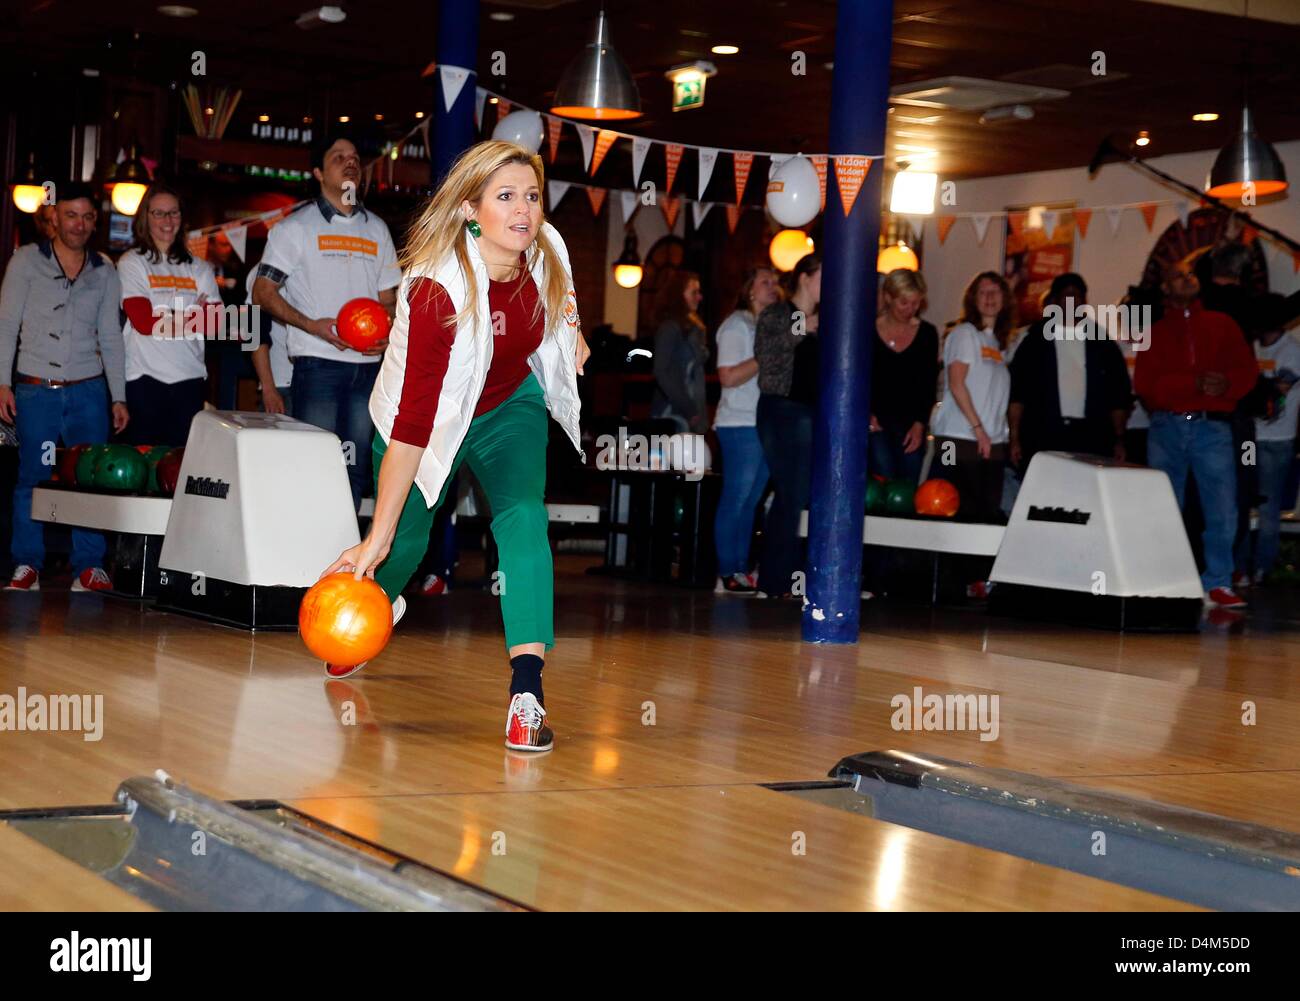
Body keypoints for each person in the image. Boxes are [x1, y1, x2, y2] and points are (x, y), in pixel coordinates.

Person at [321, 140, 590, 753]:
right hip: (427, 416)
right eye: (505, 197)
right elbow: (416, 424)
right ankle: (374, 608)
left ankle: (527, 691)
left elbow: (562, 294)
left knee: (524, 516)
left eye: (531, 195)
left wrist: (572, 336)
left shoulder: (546, 246)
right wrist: (376, 534)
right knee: (406, 543)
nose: (524, 210)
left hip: (506, 406)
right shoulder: (436, 290)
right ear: (470, 209)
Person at [252, 135, 400, 509]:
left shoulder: (377, 230)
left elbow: (388, 299)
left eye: (354, 157)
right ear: (318, 173)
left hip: (368, 369)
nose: (350, 162)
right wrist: (310, 325)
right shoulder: (295, 228)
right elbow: (263, 292)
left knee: (355, 468)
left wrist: (388, 328)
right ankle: (308, 558)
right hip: (318, 364)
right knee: (315, 464)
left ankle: (345, 557)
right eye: (338, 158)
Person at [0, 182, 127, 592]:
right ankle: (27, 564)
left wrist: (118, 395)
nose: (80, 224)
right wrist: (2, 382)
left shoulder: (105, 269)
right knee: (33, 475)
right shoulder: (24, 261)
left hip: (88, 392)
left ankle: (89, 567)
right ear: (53, 217)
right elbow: (5, 326)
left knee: (90, 478)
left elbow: (111, 336)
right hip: (36, 390)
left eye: (88, 216)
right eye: (71, 215)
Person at [1134, 258, 1257, 609]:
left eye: (1190, 274)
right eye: (1178, 275)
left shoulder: (1223, 325)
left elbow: (1246, 372)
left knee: (1222, 509)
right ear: (1165, 289)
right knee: (1164, 507)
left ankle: (1217, 582)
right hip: (1166, 428)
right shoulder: (1152, 332)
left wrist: (1228, 384)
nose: (1187, 279)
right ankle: (1164, 577)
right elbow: (1145, 386)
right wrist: (1193, 383)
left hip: (1212, 427)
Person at [117, 183, 221, 446]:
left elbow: (216, 322)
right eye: (159, 213)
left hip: (190, 378)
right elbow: (143, 322)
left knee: (180, 467)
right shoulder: (132, 262)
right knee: (145, 466)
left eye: (173, 213)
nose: (167, 220)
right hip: (145, 379)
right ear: (145, 218)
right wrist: (192, 317)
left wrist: (167, 317)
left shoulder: (199, 267)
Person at [1008, 272, 1130, 472]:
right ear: (1055, 300)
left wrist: (1119, 439)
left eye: (1078, 295)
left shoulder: (1102, 342)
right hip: (1043, 434)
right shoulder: (1034, 341)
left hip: (1092, 436)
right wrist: (1014, 439)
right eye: (1067, 295)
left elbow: (1118, 395)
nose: (1073, 300)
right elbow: (1018, 393)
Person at [753, 253, 821, 600]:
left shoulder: (827, 320)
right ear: (806, 277)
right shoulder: (777, 314)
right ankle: (774, 580)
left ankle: (793, 579)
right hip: (781, 411)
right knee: (790, 493)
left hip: (813, 414)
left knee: (801, 496)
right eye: (824, 275)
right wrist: (802, 327)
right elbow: (767, 358)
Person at [712, 265, 778, 594]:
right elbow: (728, 376)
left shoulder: (763, 325)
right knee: (737, 497)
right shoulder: (737, 325)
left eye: (776, 282)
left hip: (762, 420)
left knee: (750, 500)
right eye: (766, 282)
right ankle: (727, 569)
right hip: (739, 421)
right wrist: (766, 356)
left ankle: (739, 568)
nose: (774, 287)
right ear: (750, 289)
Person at [931, 271, 1014, 523]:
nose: (989, 297)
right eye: (982, 292)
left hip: (992, 440)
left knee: (985, 513)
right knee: (954, 509)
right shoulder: (964, 333)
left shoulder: (1000, 343)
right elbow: (957, 384)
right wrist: (978, 429)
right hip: (957, 439)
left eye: (995, 291)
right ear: (973, 299)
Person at [1234, 293, 1300, 585]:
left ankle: (1260, 568)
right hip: (1251, 439)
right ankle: (1243, 568)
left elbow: (1281, 387)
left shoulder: (1292, 350)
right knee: (1245, 500)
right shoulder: (1252, 348)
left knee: (1268, 505)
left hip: (1277, 441)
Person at [870, 268, 939, 484]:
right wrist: (866, 412)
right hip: (876, 422)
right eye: (904, 302)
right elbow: (860, 377)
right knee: (882, 481)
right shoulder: (867, 329)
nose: (910, 309)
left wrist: (920, 423)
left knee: (908, 487)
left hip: (911, 424)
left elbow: (928, 383)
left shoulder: (927, 333)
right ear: (888, 297)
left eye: (916, 303)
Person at [650, 270, 709, 433]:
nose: (700, 297)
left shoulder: (690, 330)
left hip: (686, 413)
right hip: (672, 414)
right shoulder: (670, 328)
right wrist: (688, 408)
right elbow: (661, 371)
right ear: (678, 295)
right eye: (694, 292)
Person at [246, 266, 292, 415]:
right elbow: (252, 335)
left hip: (320, 376)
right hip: (281, 382)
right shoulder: (259, 272)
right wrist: (268, 388)